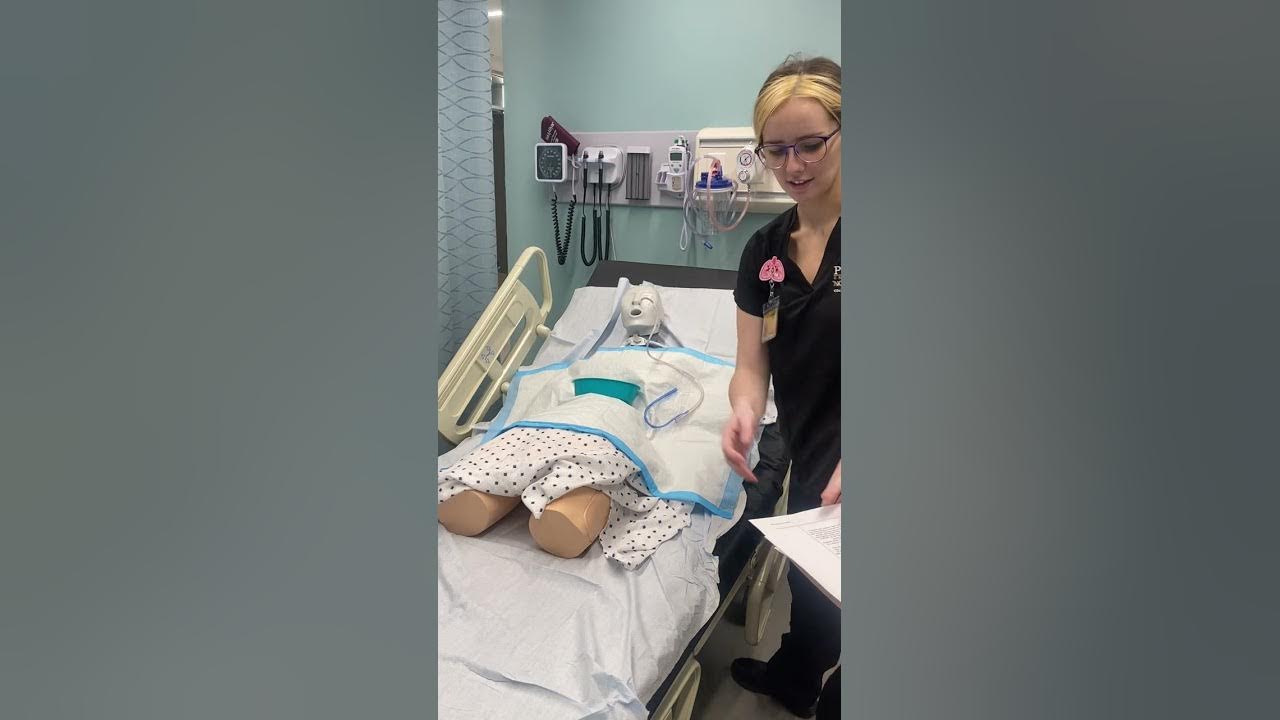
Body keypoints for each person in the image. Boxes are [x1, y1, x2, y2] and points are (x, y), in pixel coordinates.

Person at [721, 53, 843, 719]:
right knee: (814, 583)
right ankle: (798, 679)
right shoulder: (764, 251)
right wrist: (743, 410)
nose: (793, 166)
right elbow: (751, 365)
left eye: (811, 145)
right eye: (776, 150)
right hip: (811, 444)